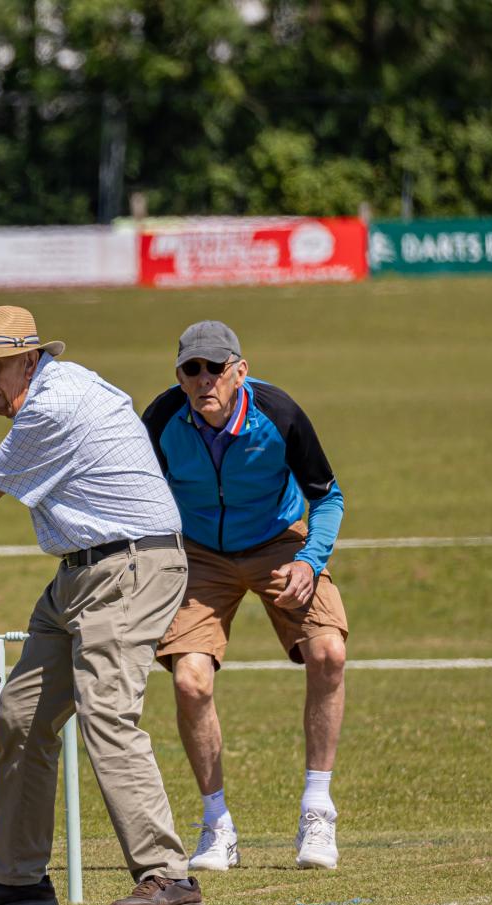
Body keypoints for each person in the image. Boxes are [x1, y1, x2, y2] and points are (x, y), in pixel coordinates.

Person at [0, 304, 204, 905]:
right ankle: (18, 883)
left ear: (29, 358)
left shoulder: (54, 404)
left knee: (107, 714)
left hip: (130, 567)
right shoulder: (55, 392)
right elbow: (13, 465)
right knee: (22, 716)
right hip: (80, 572)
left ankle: (168, 878)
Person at [141, 321, 348, 871]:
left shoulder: (279, 415)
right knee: (189, 680)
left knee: (328, 652)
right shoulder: (162, 419)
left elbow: (328, 499)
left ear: (240, 371)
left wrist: (310, 560)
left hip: (280, 541)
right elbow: (140, 496)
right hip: (199, 552)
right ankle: (217, 826)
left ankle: (317, 810)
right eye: (192, 369)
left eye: (215, 367)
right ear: (180, 376)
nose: (204, 378)